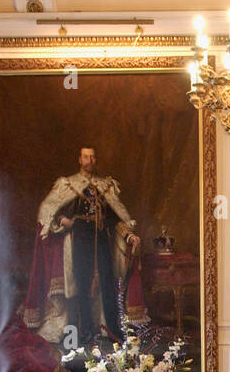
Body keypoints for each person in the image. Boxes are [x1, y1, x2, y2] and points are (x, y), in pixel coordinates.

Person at [18, 146, 148, 352]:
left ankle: (114, 332)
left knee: (108, 285)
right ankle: (85, 333)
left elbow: (115, 218)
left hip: (102, 241)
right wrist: (63, 220)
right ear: (80, 159)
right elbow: (49, 210)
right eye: (86, 157)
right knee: (81, 286)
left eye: (93, 157)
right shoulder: (68, 185)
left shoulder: (105, 186)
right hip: (77, 240)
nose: (90, 160)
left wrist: (129, 235)